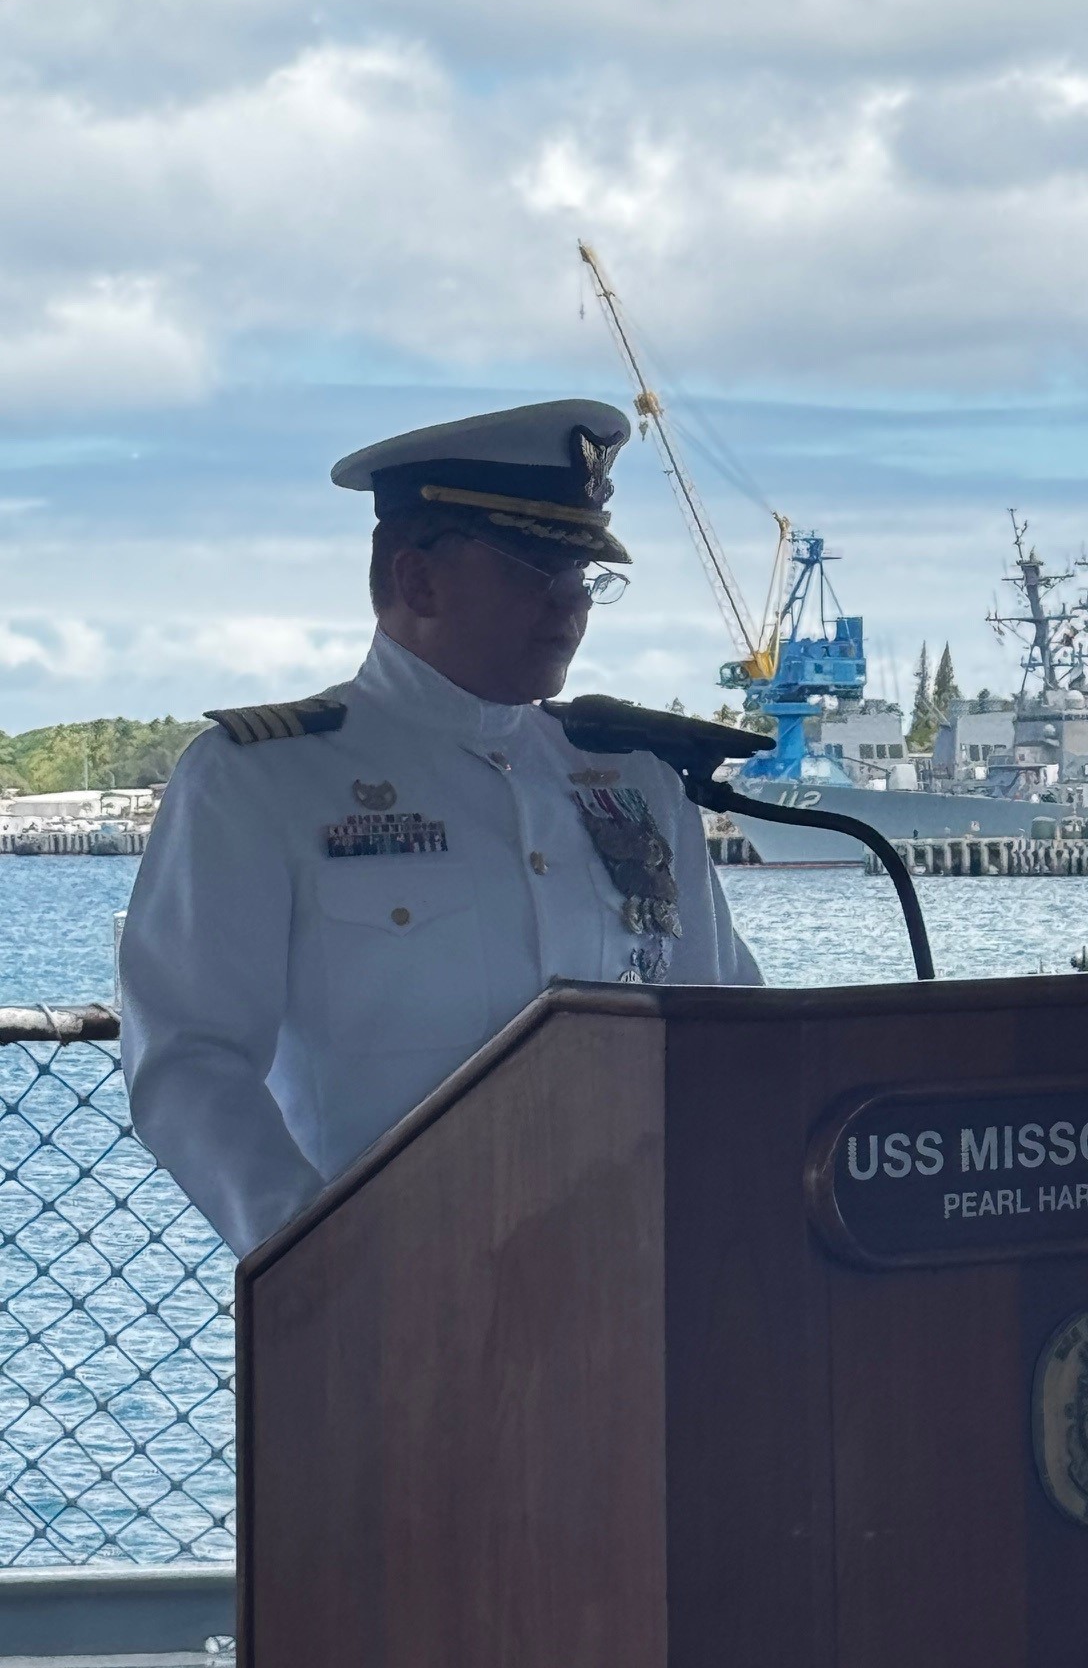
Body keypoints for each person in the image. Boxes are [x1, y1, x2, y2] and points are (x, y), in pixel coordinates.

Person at [119, 398, 761, 1258]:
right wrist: (315, 1257)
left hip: (640, 1276)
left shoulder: (636, 774)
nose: (571, 605)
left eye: (583, 575)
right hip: (394, 1290)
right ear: (417, 578)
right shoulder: (262, 779)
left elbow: (731, 1028)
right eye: (537, 568)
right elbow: (189, 1061)